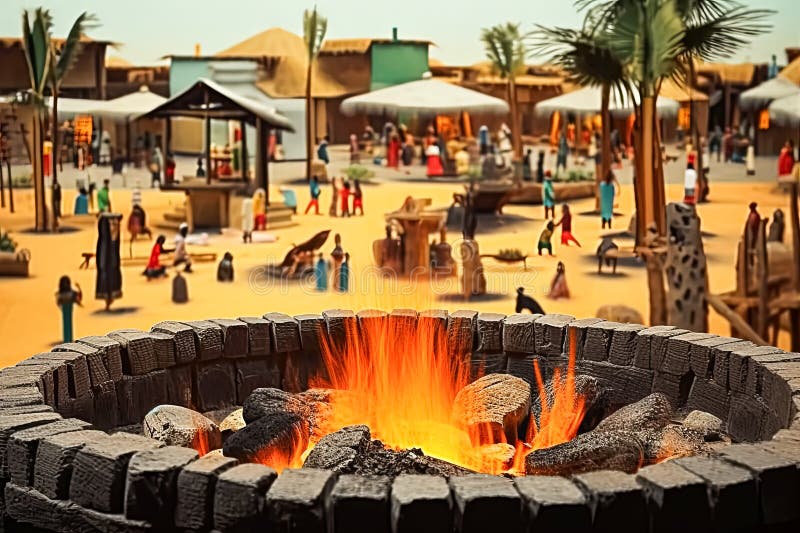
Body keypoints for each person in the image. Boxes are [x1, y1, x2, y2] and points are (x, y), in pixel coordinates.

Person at [56, 276, 82, 342]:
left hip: (67, 308)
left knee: (68, 324)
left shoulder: (69, 293)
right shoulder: (69, 293)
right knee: (66, 324)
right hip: (66, 308)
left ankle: (68, 339)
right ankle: (67, 339)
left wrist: (79, 288)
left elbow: (78, 298)